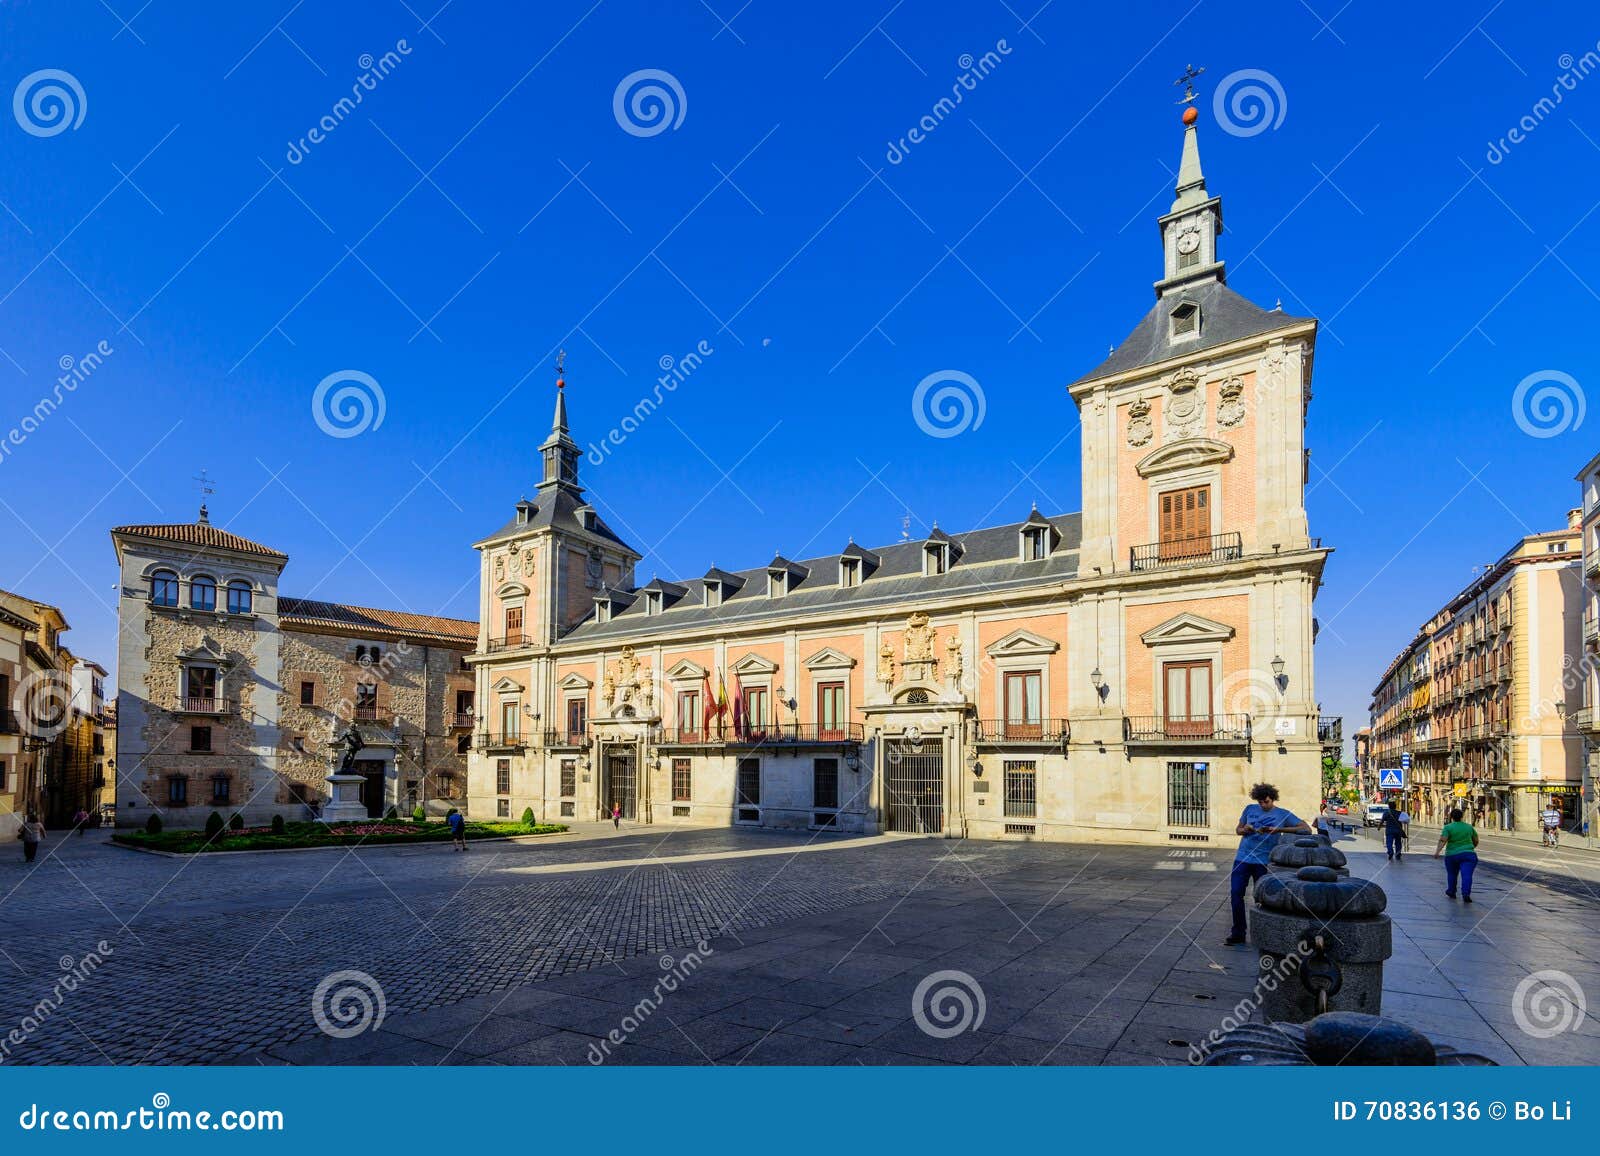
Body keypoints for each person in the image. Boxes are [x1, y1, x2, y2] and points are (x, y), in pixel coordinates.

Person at [1224, 783, 1312, 946]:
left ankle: (1264, 934)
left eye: (1266, 802)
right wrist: (1246, 829)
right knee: (1236, 895)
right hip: (1243, 858)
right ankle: (1238, 932)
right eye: (1260, 802)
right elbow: (1238, 829)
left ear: (1273, 799)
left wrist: (1278, 830)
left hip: (1264, 862)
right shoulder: (1249, 809)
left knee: (1262, 898)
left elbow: (1306, 829)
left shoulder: (1283, 814)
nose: (1263, 805)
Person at [1433, 807, 1479, 903]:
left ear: (1451, 817)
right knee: (1467, 875)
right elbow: (1476, 840)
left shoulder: (1448, 827)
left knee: (1452, 874)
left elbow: (1443, 840)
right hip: (1469, 855)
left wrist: (1437, 851)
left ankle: (1451, 891)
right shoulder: (1469, 827)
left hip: (1452, 855)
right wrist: (1470, 848)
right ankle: (1466, 894)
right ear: (1462, 817)